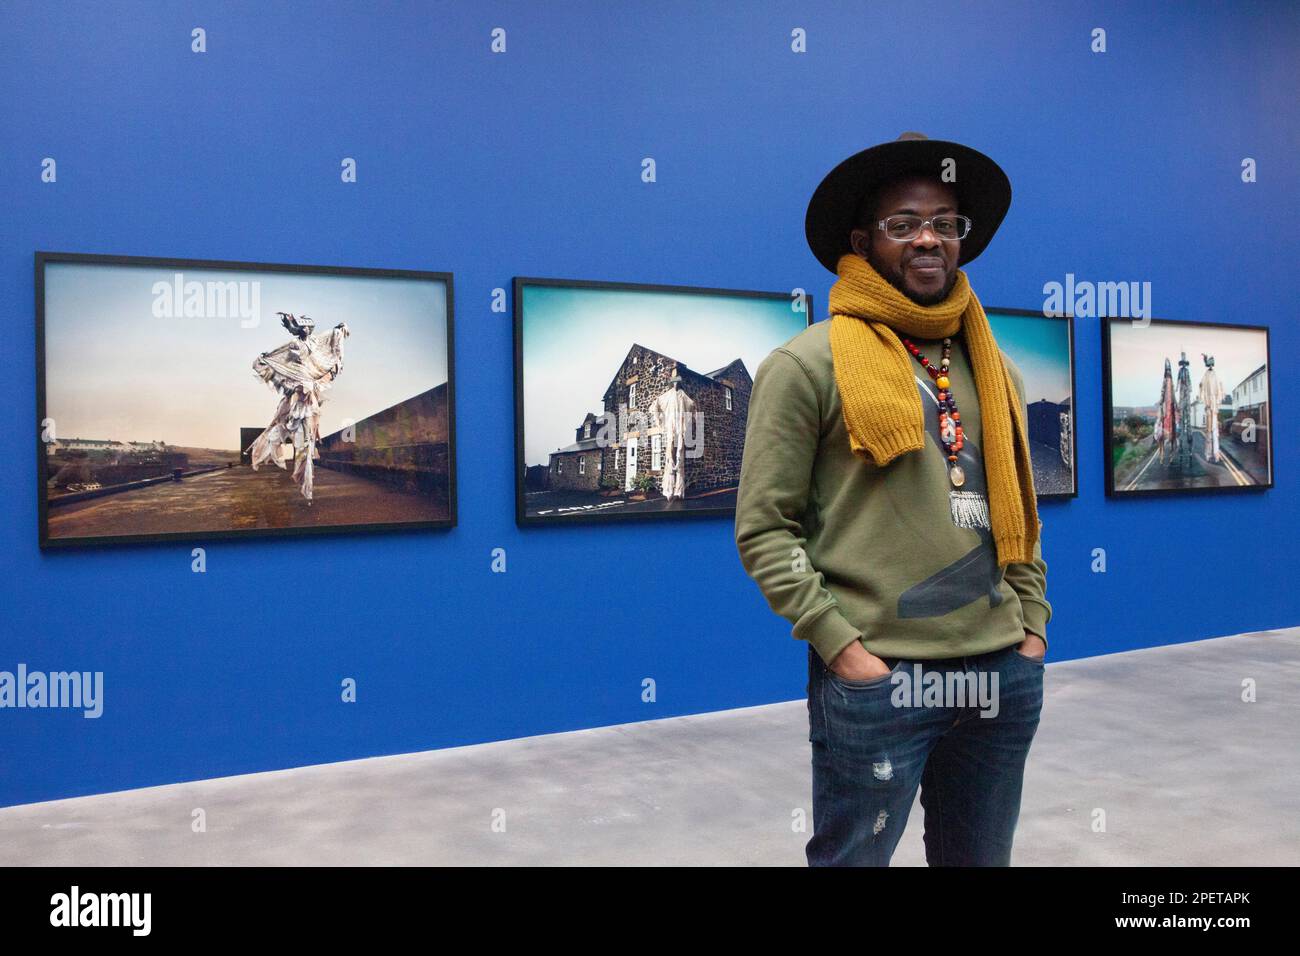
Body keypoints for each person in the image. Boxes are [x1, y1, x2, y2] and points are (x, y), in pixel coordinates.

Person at [734, 131, 1051, 866]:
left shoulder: (995, 367)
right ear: (862, 241)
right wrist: (842, 648)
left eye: (945, 222)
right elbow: (763, 529)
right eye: (903, 224)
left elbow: (1022, 517)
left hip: (1000, 672)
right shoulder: (805, 363)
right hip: (879, 677)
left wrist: (1032, 627)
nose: (929, 239)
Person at [248, 312, 351, 503]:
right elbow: (280, 358)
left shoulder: (315, 342)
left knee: (307, 439)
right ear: (298, 328)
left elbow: (329, 340)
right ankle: (292, 468)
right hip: (296, 394)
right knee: (282, 426)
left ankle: (307, 484)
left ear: (310, 328)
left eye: (308, 327)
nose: (305, 329)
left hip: (310, 393)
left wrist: (338, 330)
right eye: (302, 327)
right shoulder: (294, 345)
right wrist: (267, 359)